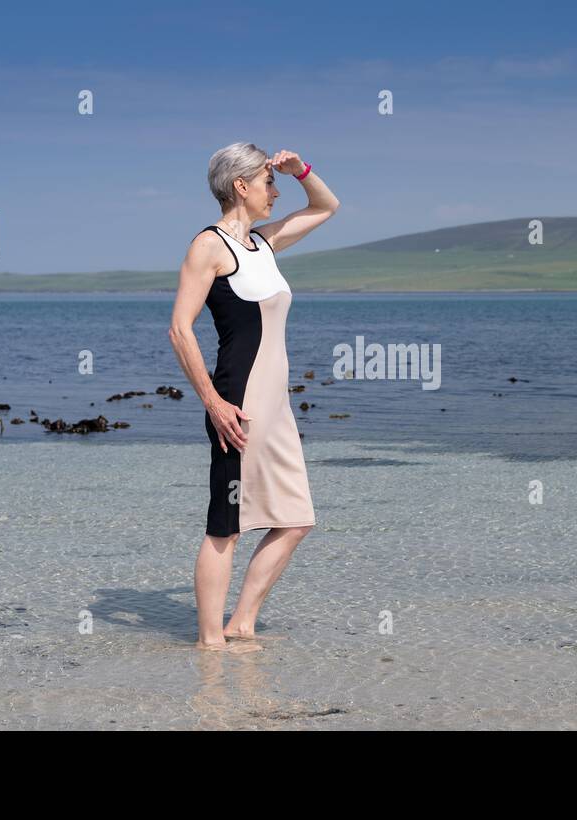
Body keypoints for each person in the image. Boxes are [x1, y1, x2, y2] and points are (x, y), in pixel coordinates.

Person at [169, 142, 339, 652]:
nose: (276, 190)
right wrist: (214, 404)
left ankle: (241, 623)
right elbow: (180, 329)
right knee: (228, 526)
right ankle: (209, 644)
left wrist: (301, 168)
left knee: (295, 518)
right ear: (240, 186)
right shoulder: (209, 246)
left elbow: (326, 207)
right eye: (269, 181)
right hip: (237, 404)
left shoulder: (263, 244)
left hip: (277, 409)